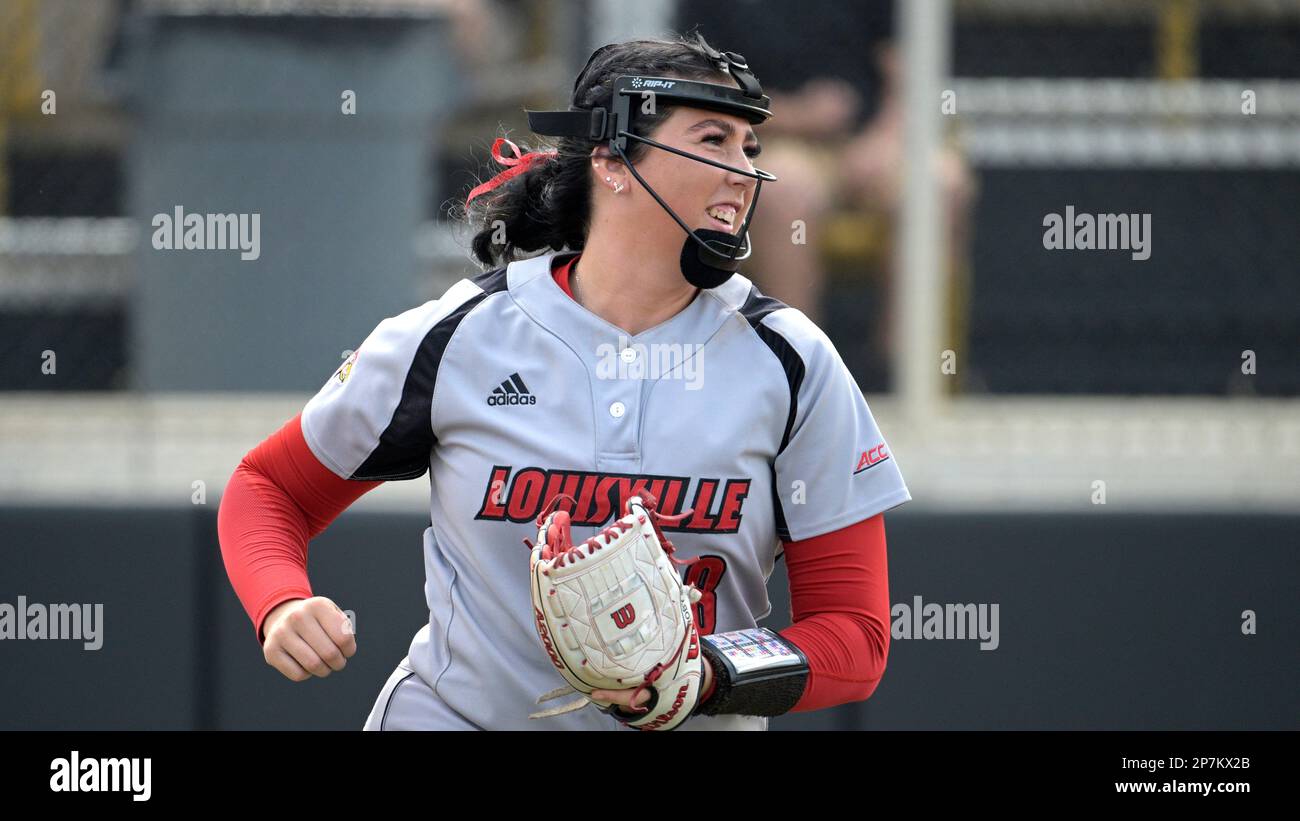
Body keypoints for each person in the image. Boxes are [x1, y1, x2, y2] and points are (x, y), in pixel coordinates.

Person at [217, 31, 911, 731]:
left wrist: (709, 675)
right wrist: (281, 601)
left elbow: (857, 636)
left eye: (748, 148)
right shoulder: (461, 334)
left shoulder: (791, 360)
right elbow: (269, 488)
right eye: (713, 140)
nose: (743, 171)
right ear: (612, 160)